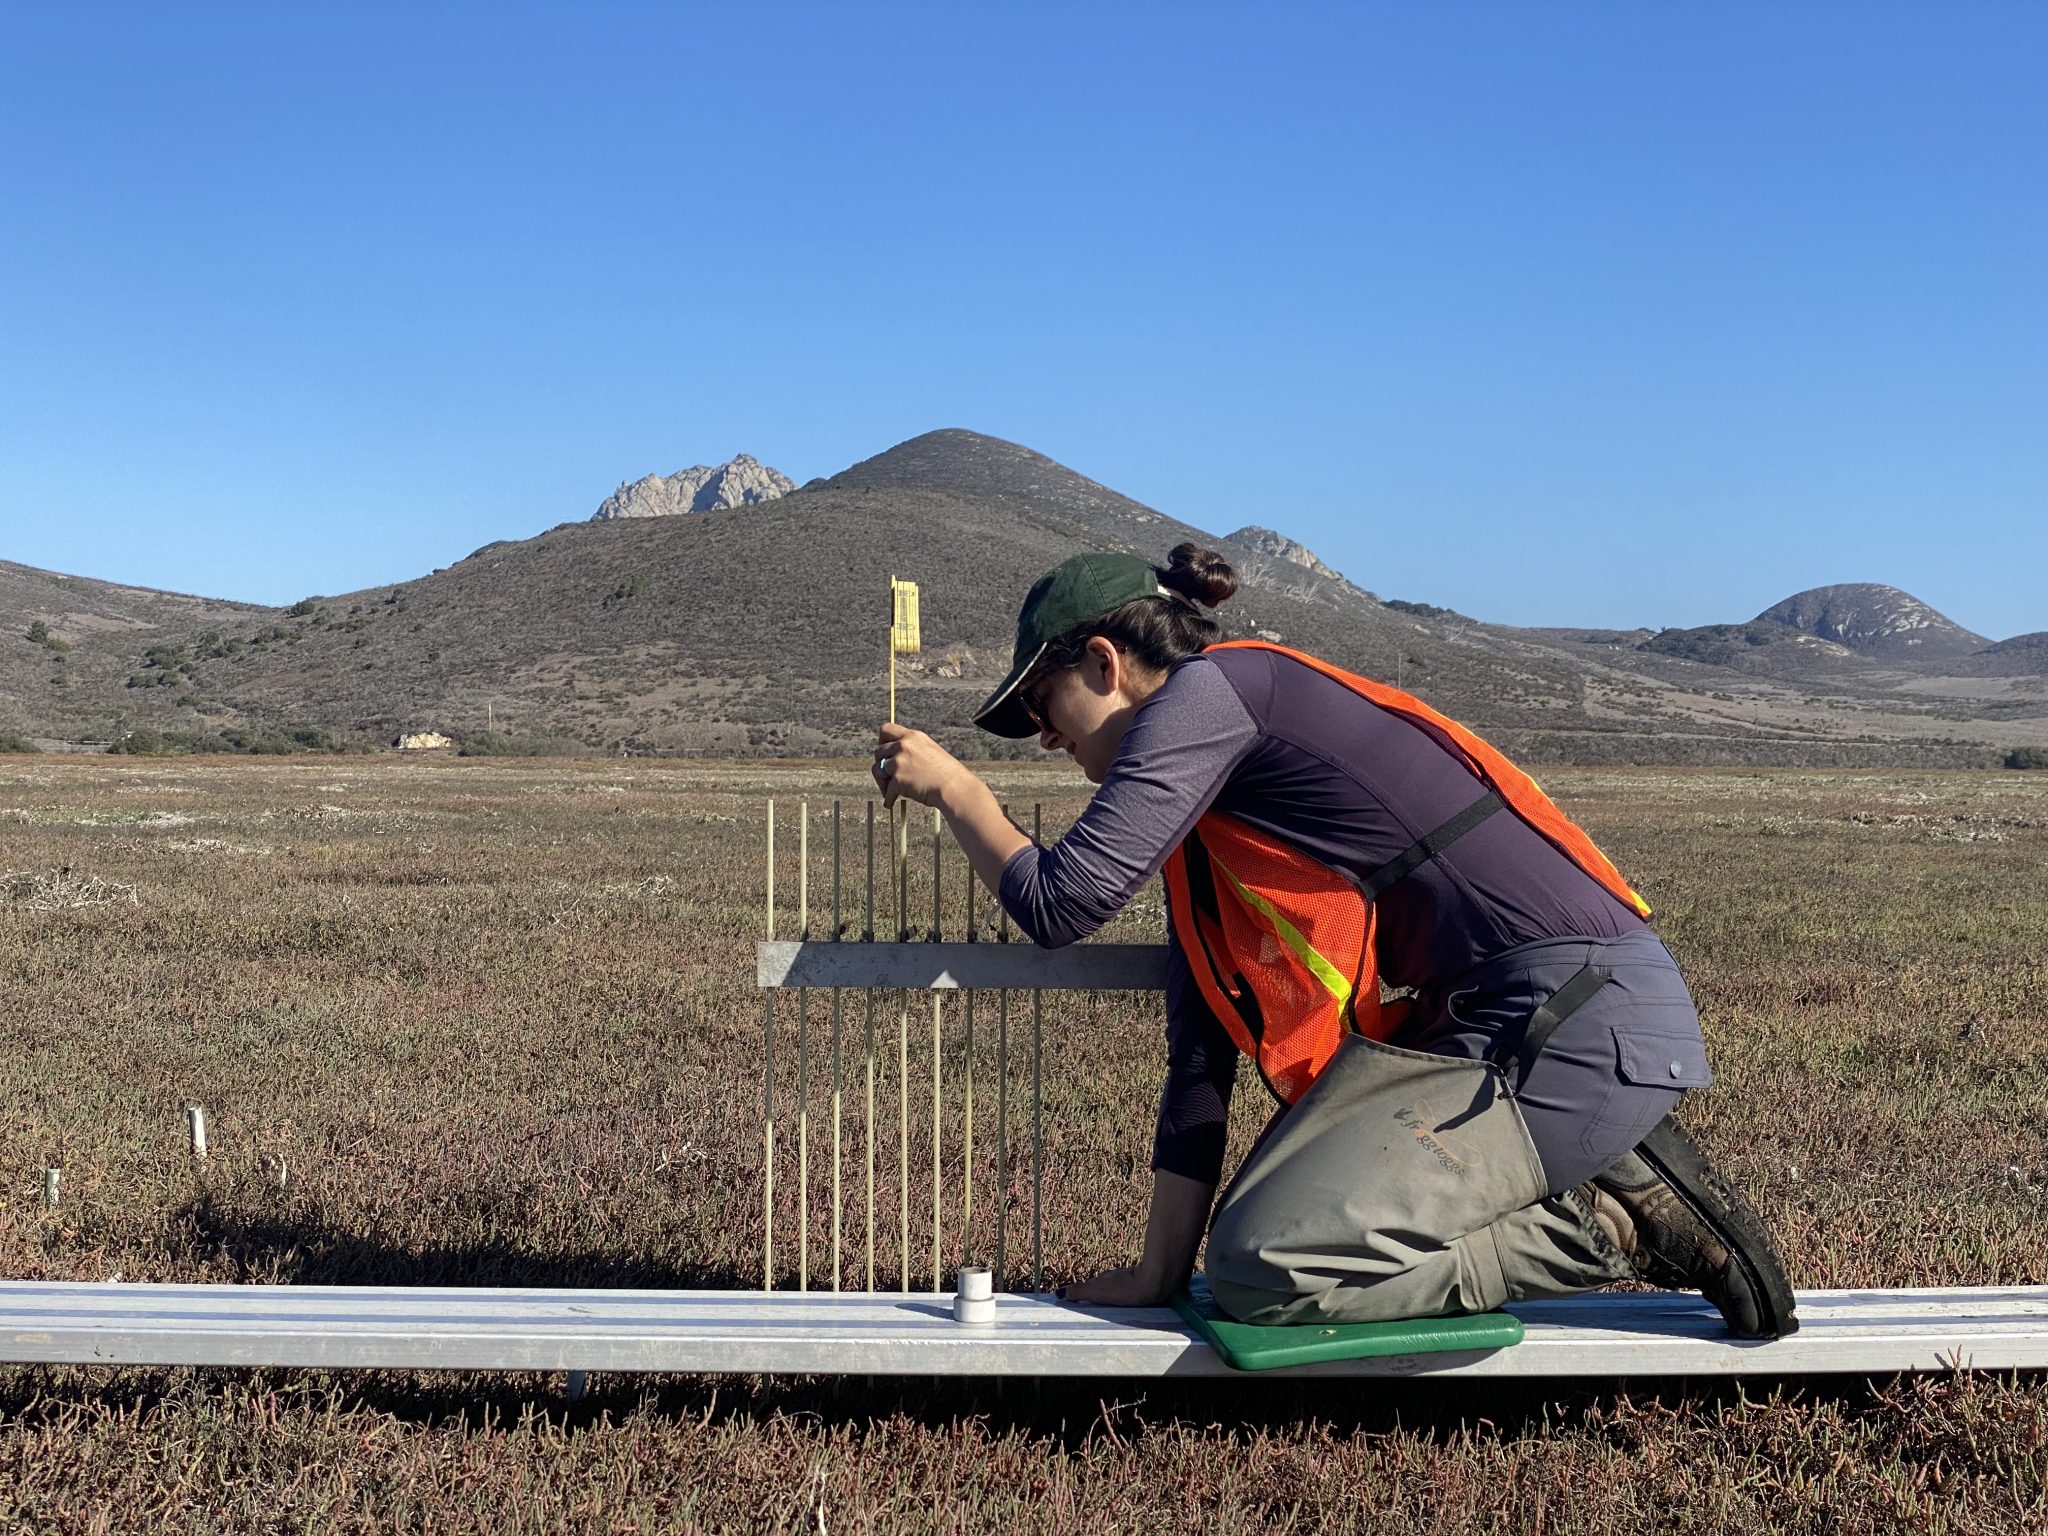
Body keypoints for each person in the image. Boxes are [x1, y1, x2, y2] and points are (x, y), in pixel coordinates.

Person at [872, 544, 1797, 1338]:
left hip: (1566, 1020)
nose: (1043, 741)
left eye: (1043, 706)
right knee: (1246, 1261)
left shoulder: (1211, 693)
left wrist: (957, 791)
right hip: (1507, 1025)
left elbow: (1062, 901)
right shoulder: (1216, 807)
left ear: (1107, 663)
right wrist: (1158, 1275)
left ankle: (1601, 1222)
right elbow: (1201, 1055)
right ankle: (1610, 1170)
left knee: (1263, 1270)